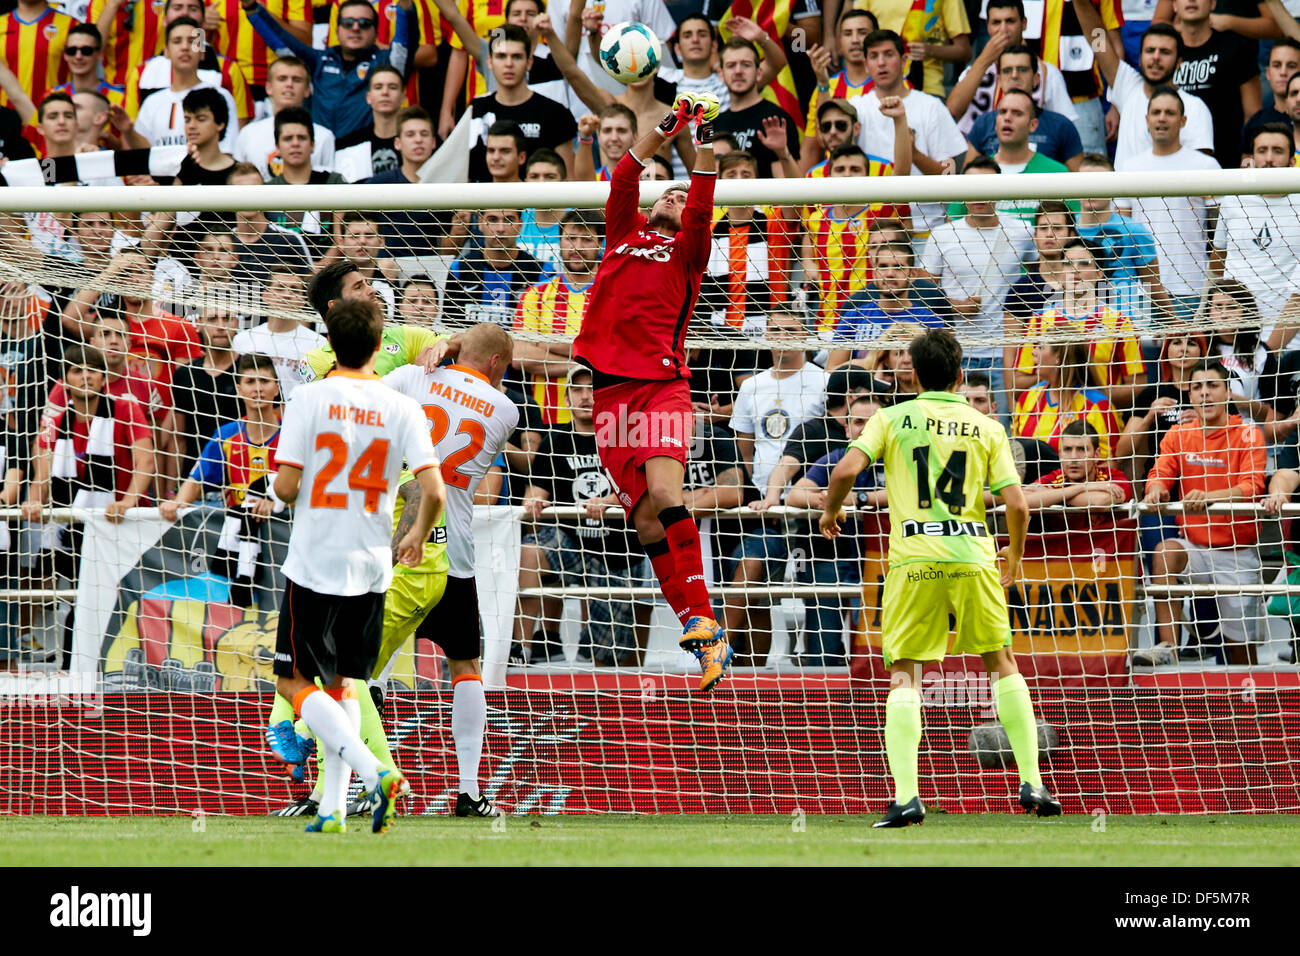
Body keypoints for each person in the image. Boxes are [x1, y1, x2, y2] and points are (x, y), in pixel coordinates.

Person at [820, 328, 1061, 825]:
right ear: (957, 375)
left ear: (912, 373)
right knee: (1003, 662)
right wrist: (1013, 554)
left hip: (914, 559)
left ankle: (907, 796)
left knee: (906, 672)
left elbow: (843, 472)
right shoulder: (987, 426)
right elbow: (1017, 504)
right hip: (973, 556)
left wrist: (830, 513)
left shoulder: (890, 418)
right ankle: (1033, 784)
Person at [570, 90, 734, 691]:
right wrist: (667, 125)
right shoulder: (622, 232)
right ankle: (700, 631)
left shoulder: (690, 247)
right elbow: (623, 173)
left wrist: (702, 136)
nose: (673, 194)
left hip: (662, 385)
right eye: (665, 190)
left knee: (666, 494)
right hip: (610, 395)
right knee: (642, 525)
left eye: (680, 192)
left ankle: (707, 621)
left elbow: (704, 192)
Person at [269, 297, 444, 834]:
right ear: (378, 346)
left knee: (292, 681)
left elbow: (286, 485)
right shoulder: (401, 406)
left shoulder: (308, 397)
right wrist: (413, 533)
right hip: (374, 562)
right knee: (348, 683)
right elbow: (432, 488)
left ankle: (374, 774)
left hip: (316, 557)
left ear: (328, 341)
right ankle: (334, 811)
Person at [383, 323, 519, 817]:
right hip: (451, 551)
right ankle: (468, 791)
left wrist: (439, 347)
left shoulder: (408, 379)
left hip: (394, 542)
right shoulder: (506, 410)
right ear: (498, 364)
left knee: (366, 664)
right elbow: (483, 378)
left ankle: (358, 781)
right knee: (465, 666)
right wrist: (459, 349)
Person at [1139, 360, 1267, 666]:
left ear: (1227, 393)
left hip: (1238, 554)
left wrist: (1209, 497)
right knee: (1165, 552)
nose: (1204, 394)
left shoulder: (1247, 433)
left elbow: (1252, 487)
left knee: (1240, 657)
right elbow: (1159, 472)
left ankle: (1248, 708)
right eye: (1197, 387)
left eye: (1212, 386)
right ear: (1190, 394)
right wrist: (1155, 488)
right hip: (1194, 548)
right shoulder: (1178, 435)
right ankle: (1167, 648)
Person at [159, 351, 283, 607]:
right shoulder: (226, 436)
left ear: (276, 388)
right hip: (239, 543)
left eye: (264, 381)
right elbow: (197, 479)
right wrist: (178, 503)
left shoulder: (292, 434)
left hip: (282, 541)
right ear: (239, 389)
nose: (257, 389)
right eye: (250, 382)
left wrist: (276, 500)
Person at [919, 157, 1035, 413]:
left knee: (1002, 431)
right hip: (955, 355)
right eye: (972, 185)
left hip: (1005, 357)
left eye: (986, 185)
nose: (979, 193)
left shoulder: (1023, 231)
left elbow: (1045, 278)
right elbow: (921, 294)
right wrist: (956, 307)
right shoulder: (943, 235)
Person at [785, 392, 887, 666]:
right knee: (823, 649)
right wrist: (822, 499)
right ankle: (826, 701)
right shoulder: (836, 458)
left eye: (872, 422)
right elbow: (795, 494)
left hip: (885, 564)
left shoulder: (898, 458)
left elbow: (911, 493)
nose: (864, 428)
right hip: (831, 557)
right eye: (857, 422)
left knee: (875, 652)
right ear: (846, 428)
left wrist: (862, 499)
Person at [1115, 88, 1221, 320]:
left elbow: (1221, 234)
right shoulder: (1129, 168)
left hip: (1191, 287)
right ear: (1147, 119)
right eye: (1156, 112)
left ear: (1183, 121)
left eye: (1170, 113)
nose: (1162, 118)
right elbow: (1121, 233)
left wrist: (1211, 284)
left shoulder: (1205, 167)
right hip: (1141, 291)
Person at [243, 0, 417, 139]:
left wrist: (405, 7)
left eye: (364, 23)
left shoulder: (386, 63)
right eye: (348, 23)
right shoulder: (318, 61)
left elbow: (406, 41)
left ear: (375, 32)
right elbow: (281, 41)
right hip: (318, 151)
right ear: (337, 29)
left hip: (362, 154)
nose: (355, 28)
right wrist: (252, 8)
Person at [1071, 0, 1214, 169]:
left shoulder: (1194, 107)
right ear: (1139, 58)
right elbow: (1096, 40)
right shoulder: (1127, 86)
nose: (1156, 57)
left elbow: (1202, 173)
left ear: (1179, 63)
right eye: (1150, 50)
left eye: (1165, 52)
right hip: (1126, 195)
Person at [853, 29, 969, 235]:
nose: (881, 62)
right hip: (870, 233)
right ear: (865, 65)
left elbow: (949, 174)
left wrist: (913, 153)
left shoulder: (931, 106)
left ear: (904, 60)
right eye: (874, 56)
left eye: (888, 54)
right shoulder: (855, 107)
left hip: (927, 228)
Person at [1014, 238, 1147, 411]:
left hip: (1100, 424)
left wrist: (1094, 399)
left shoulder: (1120, 323)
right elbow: (1017, 384)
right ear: (1060, 273)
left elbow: (1139, 387)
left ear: (1099, 274)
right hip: (1047, 424)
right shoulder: (1039, 320)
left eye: (1084, 263)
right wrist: (1057, 375)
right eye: (1068, 264)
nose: (1075, 270)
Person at [514, 209, 603, 425]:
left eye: (587, 239)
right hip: (547, 417)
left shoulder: (615, 293)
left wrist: (545, 344)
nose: (577, 247)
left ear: (600, 244)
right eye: (571, 238)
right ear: (559, 241)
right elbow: (520, 356)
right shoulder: (536, 295)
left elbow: (617, 350)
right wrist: (584, 366)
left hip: (604, 417)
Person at [1211, 124, 1300, 332]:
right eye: (1262, 150)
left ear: (1292, 161)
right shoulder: (1233, 199)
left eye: (1277, 151)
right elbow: (1217, 260)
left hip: (1289, 337)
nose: (1269, 158)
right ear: (1251, 159)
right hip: (1237, 334)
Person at [699, 149, 796, 332]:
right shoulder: (709, 231)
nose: (739, 180)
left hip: (769, 332)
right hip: (720, 334)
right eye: (731, 174)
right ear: (720, 182)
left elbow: (799, 198)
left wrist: (783, 153)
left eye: (746, 174)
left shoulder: (773, 224)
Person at [467, 23, 577, 182]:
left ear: (529, 62)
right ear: (490, 62)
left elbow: (568, 181)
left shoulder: (555, 113)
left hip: (540, 205)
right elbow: (465, 174)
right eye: (501, 56)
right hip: (483, 205)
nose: (509, 64)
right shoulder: (476, 109)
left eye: (516, 56)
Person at [947, 0, 1075, 135]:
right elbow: (952, 111)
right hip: (982, 153)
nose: (1003, 30)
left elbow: (1066, 130)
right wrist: (984, 60)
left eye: (1010, 21)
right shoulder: (974, 71)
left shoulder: (1047, 73)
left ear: (1023, 24)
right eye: (996, 22)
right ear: (988, 26)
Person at [1073, 153, 1169, 330]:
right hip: (1072, 327)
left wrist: (1173, 323)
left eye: (1099, 184)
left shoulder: (1135, 231)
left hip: (1121, 329)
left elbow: (1153, 285)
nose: (1091, 190)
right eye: (1085, 182)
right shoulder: (1064, 230)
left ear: (1113, 188)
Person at [1167, 0, 1262, 170]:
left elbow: (1253, 113)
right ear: (1174, 5)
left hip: (1227, 162)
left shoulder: (1236, 47)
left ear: (1213, 4)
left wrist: (1248, 154)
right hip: (1172, 166)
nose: (1191, 0)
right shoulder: (1164, 52)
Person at [827, 241, 945, 369]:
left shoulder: (930, 321)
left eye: (898, 267)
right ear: (874, 273)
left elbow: (938, 371)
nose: (889, 273)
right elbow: (832, 369)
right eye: (883, 266)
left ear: (913, 274)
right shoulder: (854, 317)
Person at [131, 18, 241, 153]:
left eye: (192, 41)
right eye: (177, 41)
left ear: (202, 51)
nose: (185, 47)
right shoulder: (151, 102)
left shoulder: (220, 96)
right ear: (166, 51)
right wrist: (126, 130)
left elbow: (228, 153)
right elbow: (146, 156)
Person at [963, 60, 1081, 172]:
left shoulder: (1057, 172)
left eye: (1017, 113)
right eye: (1003, 112)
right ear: (995, 122)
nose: (1007, 118)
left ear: (1033, 125)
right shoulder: (978, 173)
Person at [1013, 338, 1123, 459]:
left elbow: (1111, 464)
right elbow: (1016, 451)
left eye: (1041, 347)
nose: (1033, 352)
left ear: (1058, 357)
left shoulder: (1097, 406)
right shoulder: (1028, 397)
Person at [801, 8, 879, 172]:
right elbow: (813, 146)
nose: (855, 40)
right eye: (848, 33)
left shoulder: (891, 86)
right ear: (838, 41)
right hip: (836, 180)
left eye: (862, 32)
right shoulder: (825, 87)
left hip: (878, 180)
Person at [233, 56, 337, 180]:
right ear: (268, 87)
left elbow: (326, 185)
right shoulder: (248, 133)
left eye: (297, 80)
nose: (289, 84)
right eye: (282, 79)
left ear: (307, 89)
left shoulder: (324, 136)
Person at [710, 36, 799, 178]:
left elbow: (793, 191)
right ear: (721, 73)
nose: (738, 71)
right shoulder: (714, 123)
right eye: (731, 65)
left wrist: (782, 153)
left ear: (759, 73)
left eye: (746, 65)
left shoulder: (776, 119)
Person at [172, 304, 244, 476]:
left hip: (240, 483)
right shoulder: (185, 374)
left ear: (237, 324)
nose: (220, 326)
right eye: (212, 319)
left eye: (227, 318)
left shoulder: (249, 371)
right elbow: (179, 438)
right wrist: (172, 490)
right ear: (199, 323)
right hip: (193, 484)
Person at [232, 267, 325, 398]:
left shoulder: (317, 344)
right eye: (279, 288)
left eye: (294, 290)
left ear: (302, 300)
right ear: (265, 295)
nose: (287, 294)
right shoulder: (243, 339)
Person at [1022, 420, 1133, 529]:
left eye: (1081, 449)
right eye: (1068, 449)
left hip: (1102, 545)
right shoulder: (1056, 477)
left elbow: (1099, 502)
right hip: (1062, 546)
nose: (1074, 457)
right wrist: (1083, 487)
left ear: (1097, 454)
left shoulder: (1114, 476)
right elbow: (1023, 500)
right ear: (1060, 454)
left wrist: (1051, 495)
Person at [443, 209, 546, 327]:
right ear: (480, 223)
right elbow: (450, 327)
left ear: (520, 225)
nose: (500, 228)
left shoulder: (541, 273)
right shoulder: (460, 269)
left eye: (508, 220)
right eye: (492, 220)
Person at [332, 64, 403, 182]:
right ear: (368, 97)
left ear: (403, 97)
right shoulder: (349, 144)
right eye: (378, 87)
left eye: (393, 87)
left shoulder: (415, 142)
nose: (385, 92)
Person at [1240, 36, 1300, 160]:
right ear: (1267, 73)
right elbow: (1246, 169)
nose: (1283, 72)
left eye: (1291, 65)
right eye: (1277, 65)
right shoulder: (1256, 123)